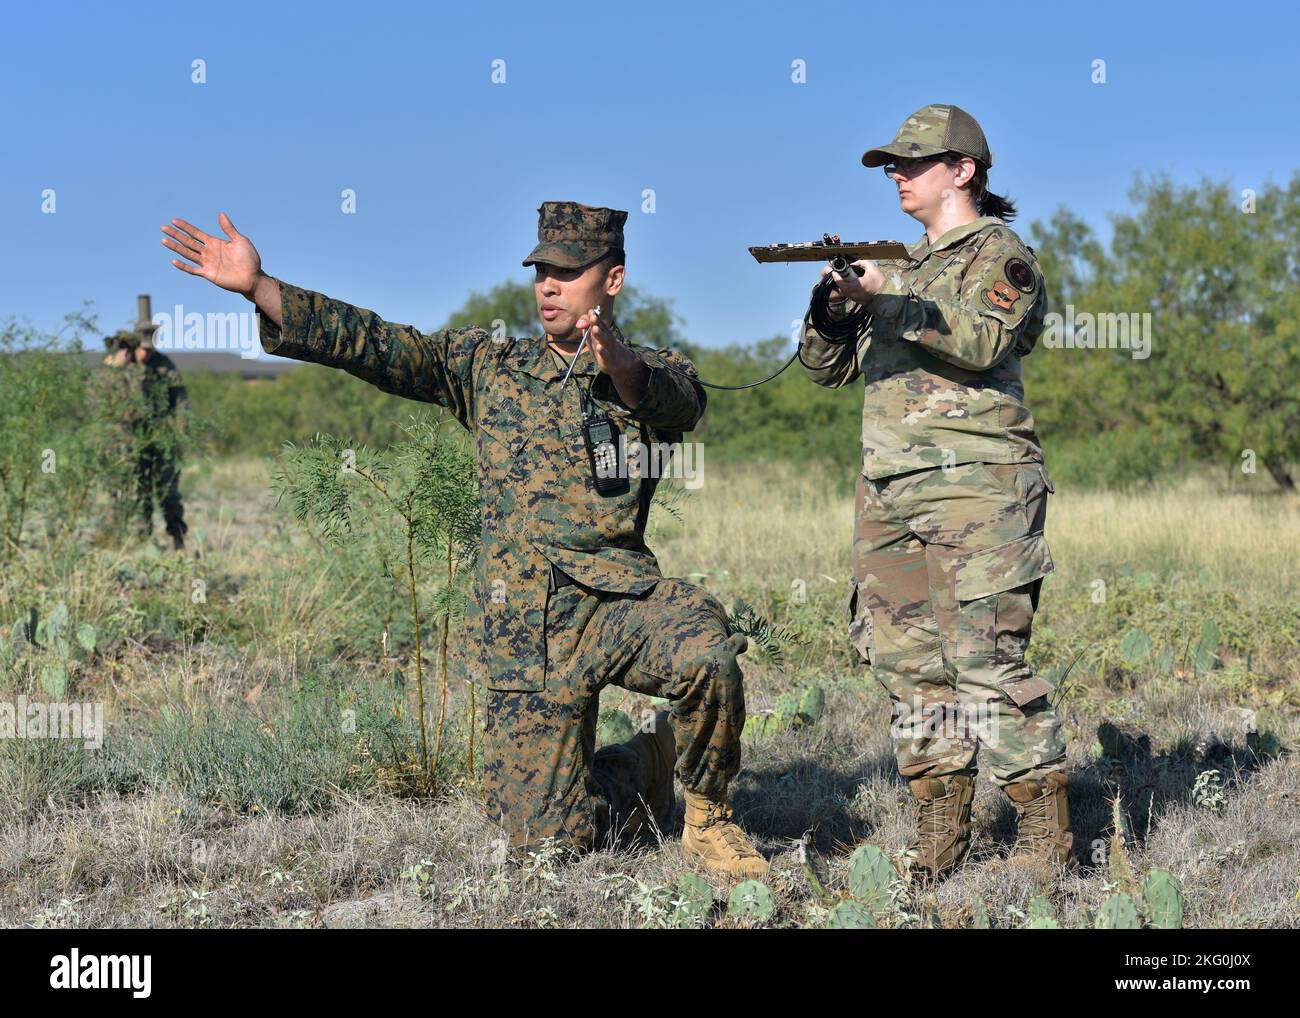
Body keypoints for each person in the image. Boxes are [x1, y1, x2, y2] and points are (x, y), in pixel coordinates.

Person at [160, 202, 767, 877]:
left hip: (617, 604)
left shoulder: (653, 371)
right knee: (546, 846)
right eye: (541, 271)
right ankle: (640, 767)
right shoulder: (490, 366)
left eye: (568, 272)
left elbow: (678, 404)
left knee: (706, 652)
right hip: (524, 633)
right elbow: (381, 345)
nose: (548, 286)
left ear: (613, 279)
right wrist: (259, 286)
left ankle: (709, 819)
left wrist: (620, 367)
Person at [800, 104, 1073, 882]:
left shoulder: (1001, 256)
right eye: (892, 163)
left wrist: (887, 296)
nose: (898, 174)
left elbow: (984, 340)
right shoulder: (898, 264)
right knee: (908, 667)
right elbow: (826, 371)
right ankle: (941, 830)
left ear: (964, 172)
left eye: (914, 162)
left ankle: (1044, 843)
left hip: (978, 489)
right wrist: (830, 311)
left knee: (986, 662)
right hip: (889, 489)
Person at [99, 328, 189, 550]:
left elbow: (181, 404)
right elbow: (102, 402)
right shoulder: (119, 367)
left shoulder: (163, 365)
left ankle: (178, 539)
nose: (146, 355)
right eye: (143, 350)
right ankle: (140, 540)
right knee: (137, 492)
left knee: (168, 490)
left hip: (160, 438)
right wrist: (114, 370)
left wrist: (180, 435)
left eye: (150, 350)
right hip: (128, 442)